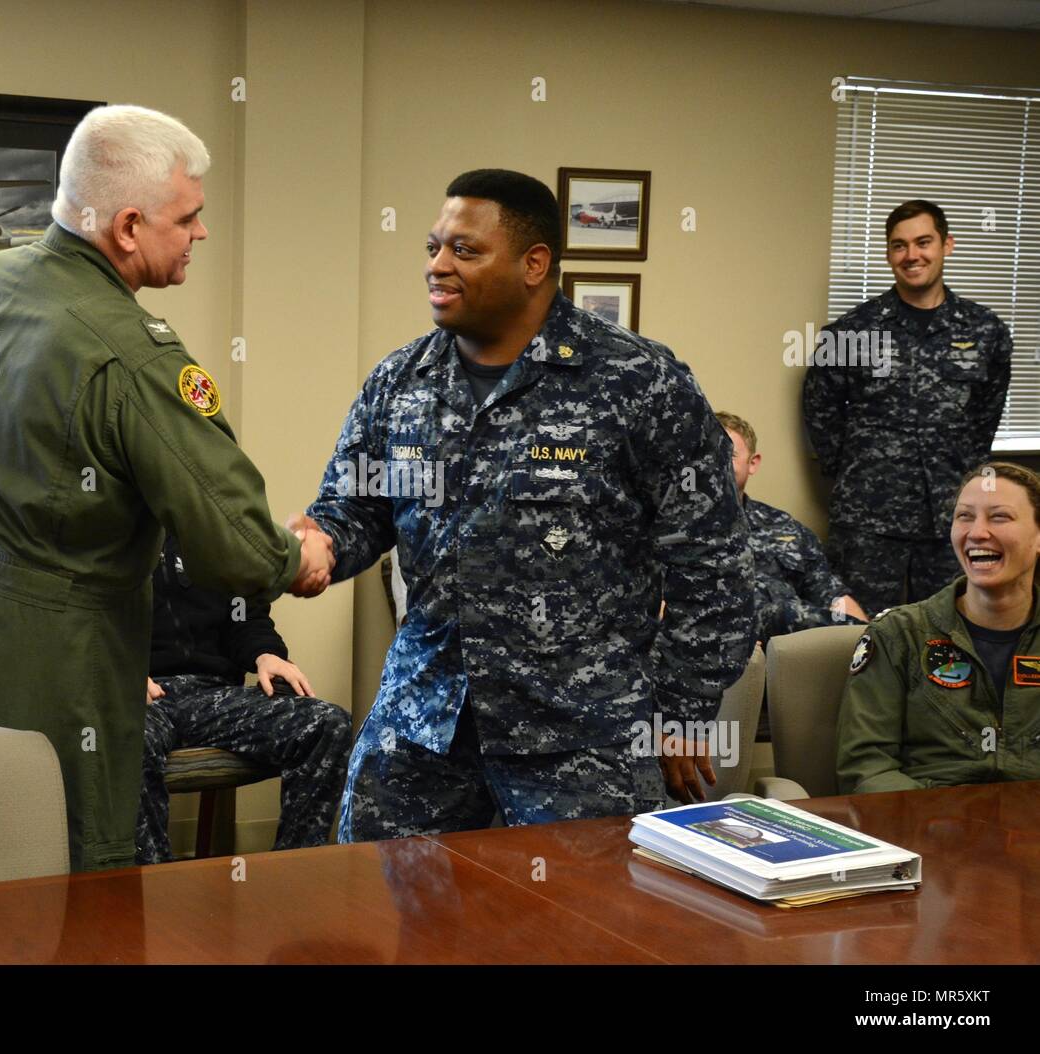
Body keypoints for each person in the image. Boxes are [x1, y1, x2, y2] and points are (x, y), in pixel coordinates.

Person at [0, 105, 334, 872]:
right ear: (127, 226)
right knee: (63, 872)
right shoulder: (130, 354)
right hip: (44, 649)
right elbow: (233, 542)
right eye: (189, 217)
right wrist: (295, 556)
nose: (201, 233)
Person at [297, 169, 755, 842]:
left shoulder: (638, 382)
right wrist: (319, 548)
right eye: (432, 248)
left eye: (465, 251)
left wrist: (683, 714)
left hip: (581, 737)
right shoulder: (401, 381)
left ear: (534, 264)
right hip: (424, 722)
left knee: (578, 933)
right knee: (384, 923)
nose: (438, 267)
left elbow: (713, 563)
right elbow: (355, 510)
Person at [803, 199, 1013, 615]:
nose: (911, 255)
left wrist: (962, 468)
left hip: (952, 516)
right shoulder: (851, 331)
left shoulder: (985, 331)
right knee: (858, 635)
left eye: (923, 242)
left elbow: (986, 415)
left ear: (946, 245)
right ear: (887, 254)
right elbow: (820, 411)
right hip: (868, 518)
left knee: (951, 627)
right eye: (899, 246)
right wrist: (855, 469)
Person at [134, 536, 351, 863]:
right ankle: (148, 889)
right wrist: (119, 671)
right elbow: (89, 619)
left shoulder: (217, 533)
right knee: (127, 740)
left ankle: (294, 874)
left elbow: (246, 617)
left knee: (328, 724)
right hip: (142, 696)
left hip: (214, 696)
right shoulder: (112, 529)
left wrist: (266, 653)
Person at [837, 462, 1040, 793]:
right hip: (929, 824)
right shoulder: (899, 635)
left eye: (999, 517)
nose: (977, 532)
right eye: (965, 517)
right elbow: (866, 768)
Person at [716, 411, 866, 642]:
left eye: (729, 454)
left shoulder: (786, 527)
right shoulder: (670, 527)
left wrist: (867, 634)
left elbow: (831, 595)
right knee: (785, 613)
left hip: (795, 643)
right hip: (721, 637)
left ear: (752, 463)